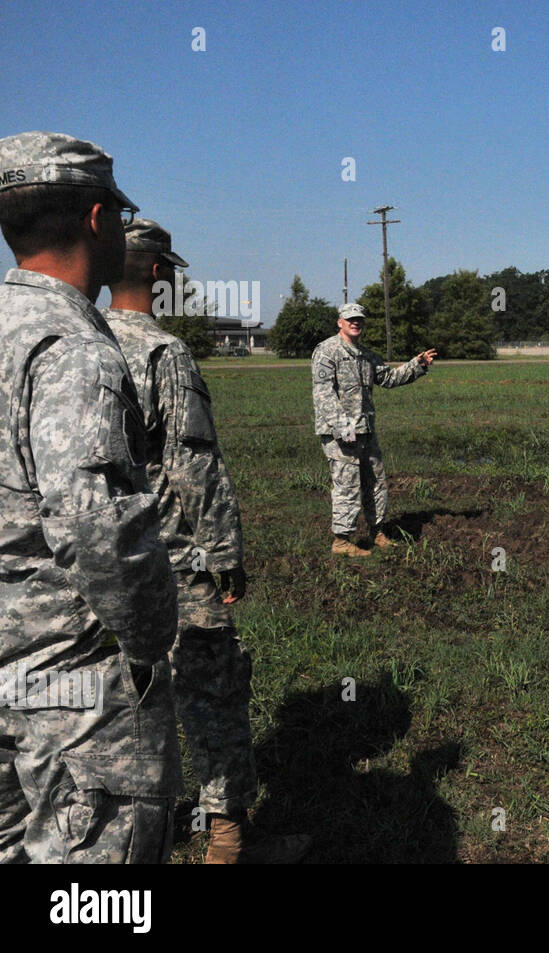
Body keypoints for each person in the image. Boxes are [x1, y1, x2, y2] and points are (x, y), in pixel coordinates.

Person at [0, 132, 180, 863]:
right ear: (100, 220)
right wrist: (145, 642)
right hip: (72, 688)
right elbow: (95, 525)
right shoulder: (72, 346)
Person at [104, 220, 309, 863]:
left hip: (101, 566)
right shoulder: (164, 354)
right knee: (212, 692)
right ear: (162, 274)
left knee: (125, 702)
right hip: (174, 562)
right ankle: (228, 841)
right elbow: (195, 467)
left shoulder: (83, 343)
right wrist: (226, 555)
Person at [311, 303, 436, 555]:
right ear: (340, 322)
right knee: (346, 485)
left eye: (359, 319)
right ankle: (342, 540)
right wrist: (342, 426)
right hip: (341, 434)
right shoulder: (326, 351)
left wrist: (417, 364)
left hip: (366, 431)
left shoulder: (366, 356)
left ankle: (377, 531)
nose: (355, 323)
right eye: (350, 319)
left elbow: (389, 378)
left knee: (376, 483)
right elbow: (323, 394)